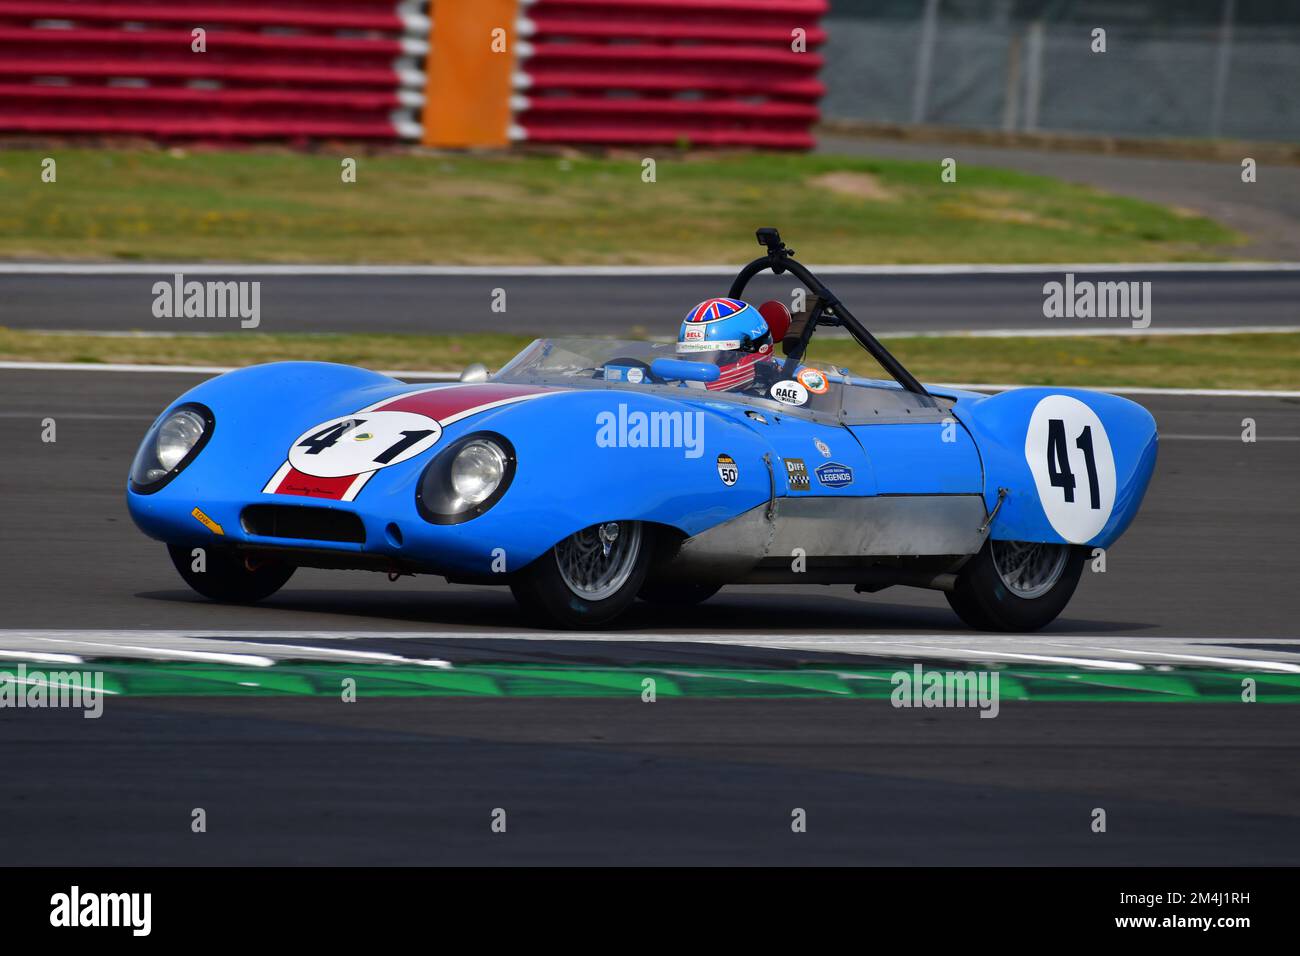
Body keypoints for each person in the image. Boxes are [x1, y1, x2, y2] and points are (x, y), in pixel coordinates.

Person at [675, 297, 779, 392]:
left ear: (743, 355)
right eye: (691, 357)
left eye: (703, 356)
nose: (695, 368)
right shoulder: (674, 388)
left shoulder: (779, 397)